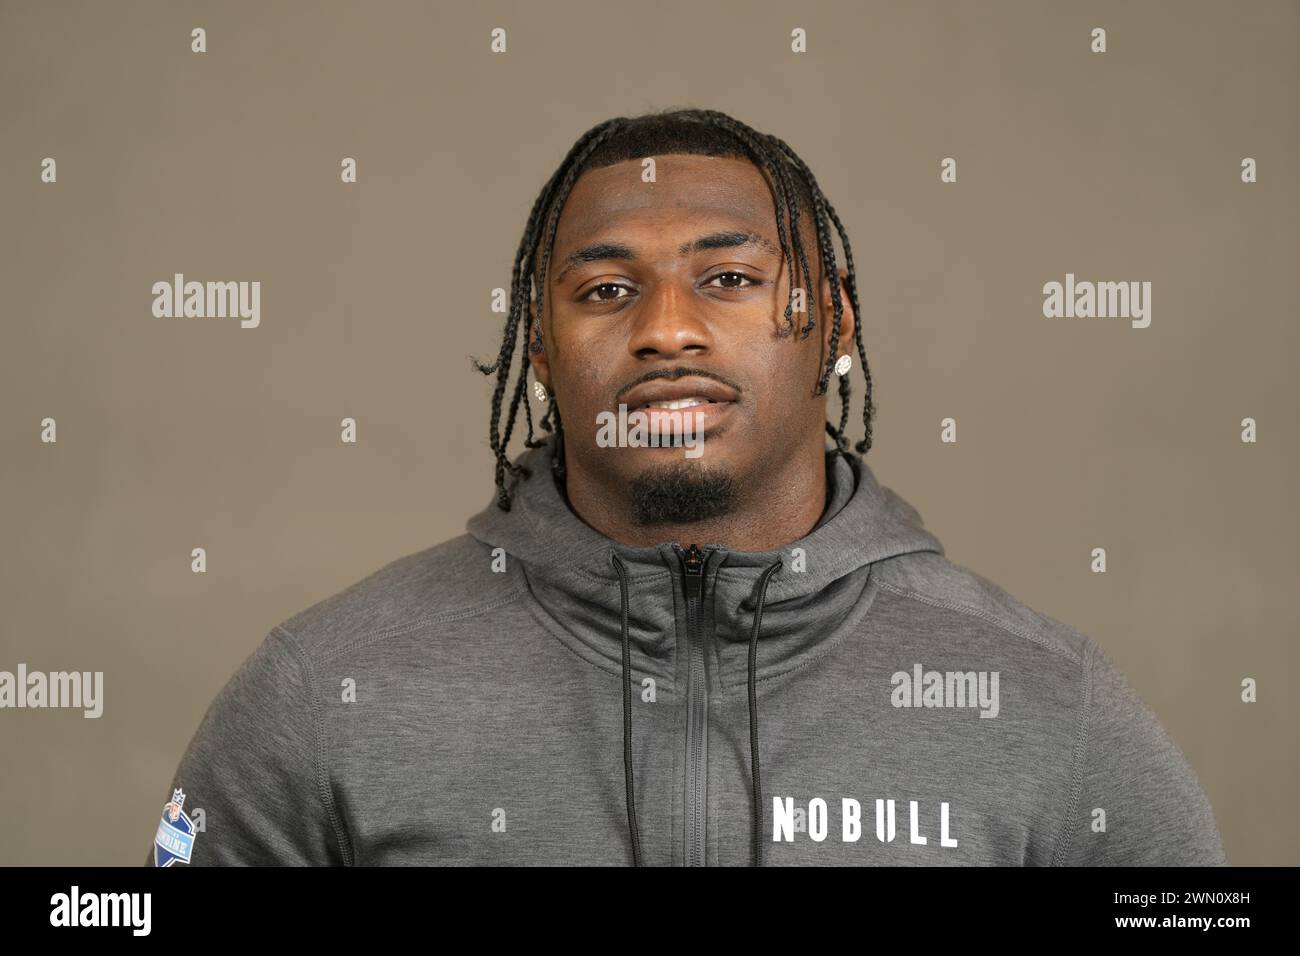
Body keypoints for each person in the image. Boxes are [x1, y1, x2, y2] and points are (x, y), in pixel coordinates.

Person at [147, 108, 1226, 866]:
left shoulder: (1046, 698)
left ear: (833, 321)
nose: (665, 327)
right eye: (606, 288)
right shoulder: (323, 689)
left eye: (728, 278)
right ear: (538, 347)